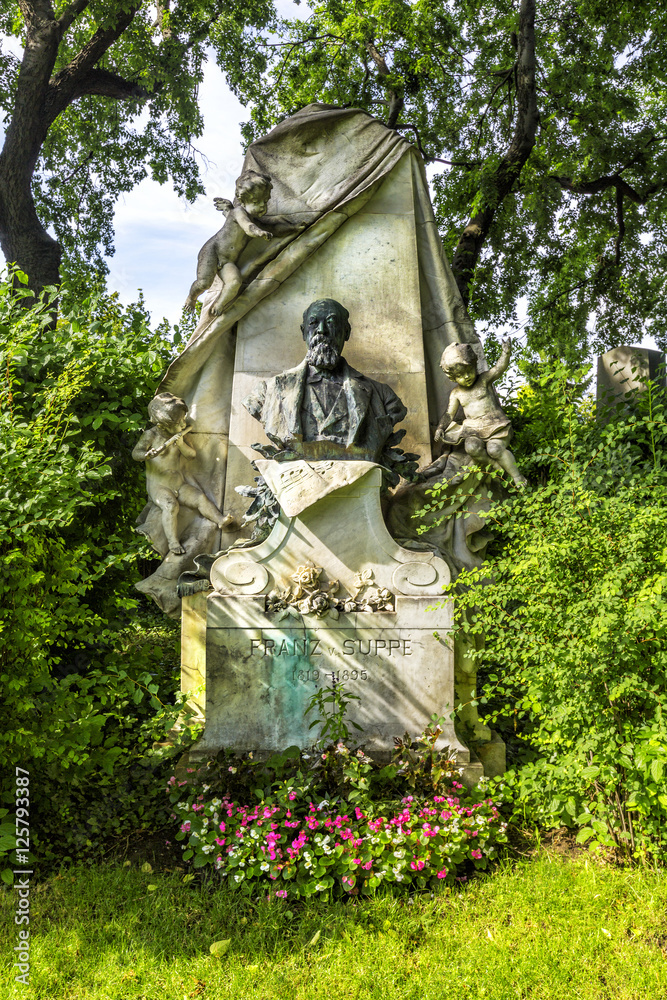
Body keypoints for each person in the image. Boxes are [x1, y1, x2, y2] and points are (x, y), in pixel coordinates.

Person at [243, 298, 409, 469]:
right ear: (303, 331)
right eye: (314, 323)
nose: (321, 331)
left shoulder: (382, 395)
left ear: (346, 332)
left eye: (331, 323)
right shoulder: (269, 390)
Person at [132, 392, 233, 554]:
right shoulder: (151, 435)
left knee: (199, 498)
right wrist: (146, 455)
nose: (183, 424)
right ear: (163, 424)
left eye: (183, 420)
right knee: (171, 506)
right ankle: (173, 543)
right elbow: (136, 453)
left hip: (178, 483)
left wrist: (181, 444)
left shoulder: (177, 436)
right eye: (179, 422)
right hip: (159, 486)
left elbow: (191, 455)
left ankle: (220, 520)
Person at [425, 339, 526, 486]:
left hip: (495, 424)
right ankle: (495, 466)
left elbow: (498, 368)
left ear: (474, 365)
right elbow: (449, 414)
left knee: (494, 448)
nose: (466, 377)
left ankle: (518, 477)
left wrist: (506, 353)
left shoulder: (483, 380)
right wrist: (441, 428)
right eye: (460, 375)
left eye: (469, 371)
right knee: (471, 448)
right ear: (453, 378)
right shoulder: (456, 393)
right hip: (473, 429)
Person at [183, 170, 273, 317]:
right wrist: (259, 232)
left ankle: (219, 304)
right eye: (257, 202)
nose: (262, 206)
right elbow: (247, 227)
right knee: (204, 283)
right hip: (212, 250)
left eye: (264, 201)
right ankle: (191, 297)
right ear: (243, 199)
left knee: (234, 282)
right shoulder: (238, 212)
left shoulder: (241, 214)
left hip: (227, 260)